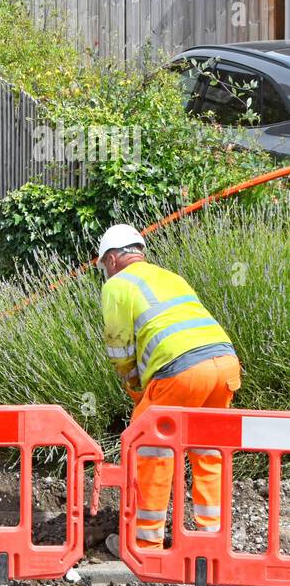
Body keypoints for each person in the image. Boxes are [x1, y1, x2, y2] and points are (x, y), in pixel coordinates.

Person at [97, 224, 241, 556]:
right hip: (225, 364)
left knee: (150, 450)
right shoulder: (170, 277)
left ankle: (144, 543)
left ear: (114, 258)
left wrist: (133, 384)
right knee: (209, 452)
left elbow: (119, 346)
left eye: (104, 264)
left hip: (181, 371)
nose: (105, 271)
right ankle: (210, 541)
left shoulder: (118, 284)